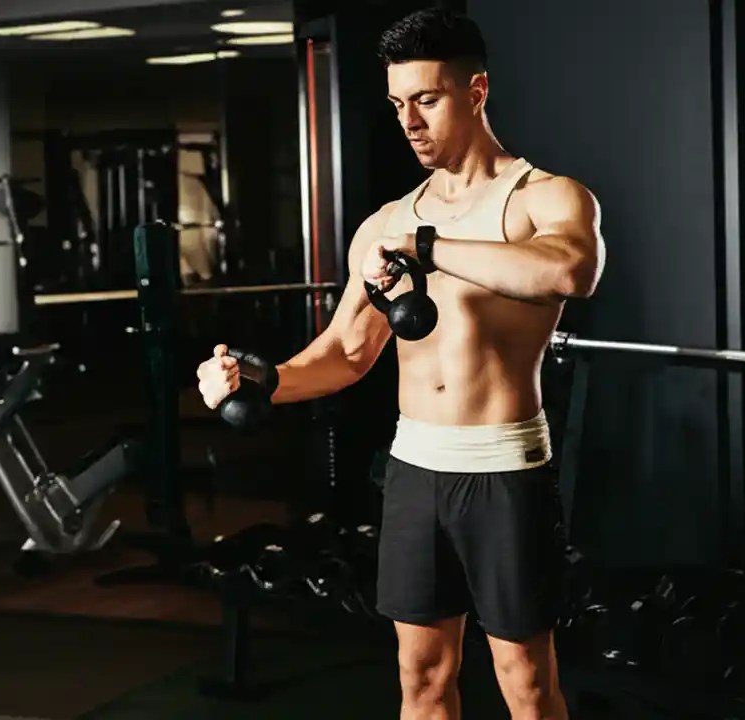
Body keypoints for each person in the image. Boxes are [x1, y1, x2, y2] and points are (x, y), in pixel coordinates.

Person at [197, 8, 604, 720]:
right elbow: (347, 354)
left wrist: (430, 247)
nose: (409, 121)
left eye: (427, 99)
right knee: (420, 678)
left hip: (503, 470)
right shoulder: (383, 224)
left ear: (475, 91)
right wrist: (259, 378)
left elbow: (569, 271)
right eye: (397, 105)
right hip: (415, 471)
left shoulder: (543, 197)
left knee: (527, 685)